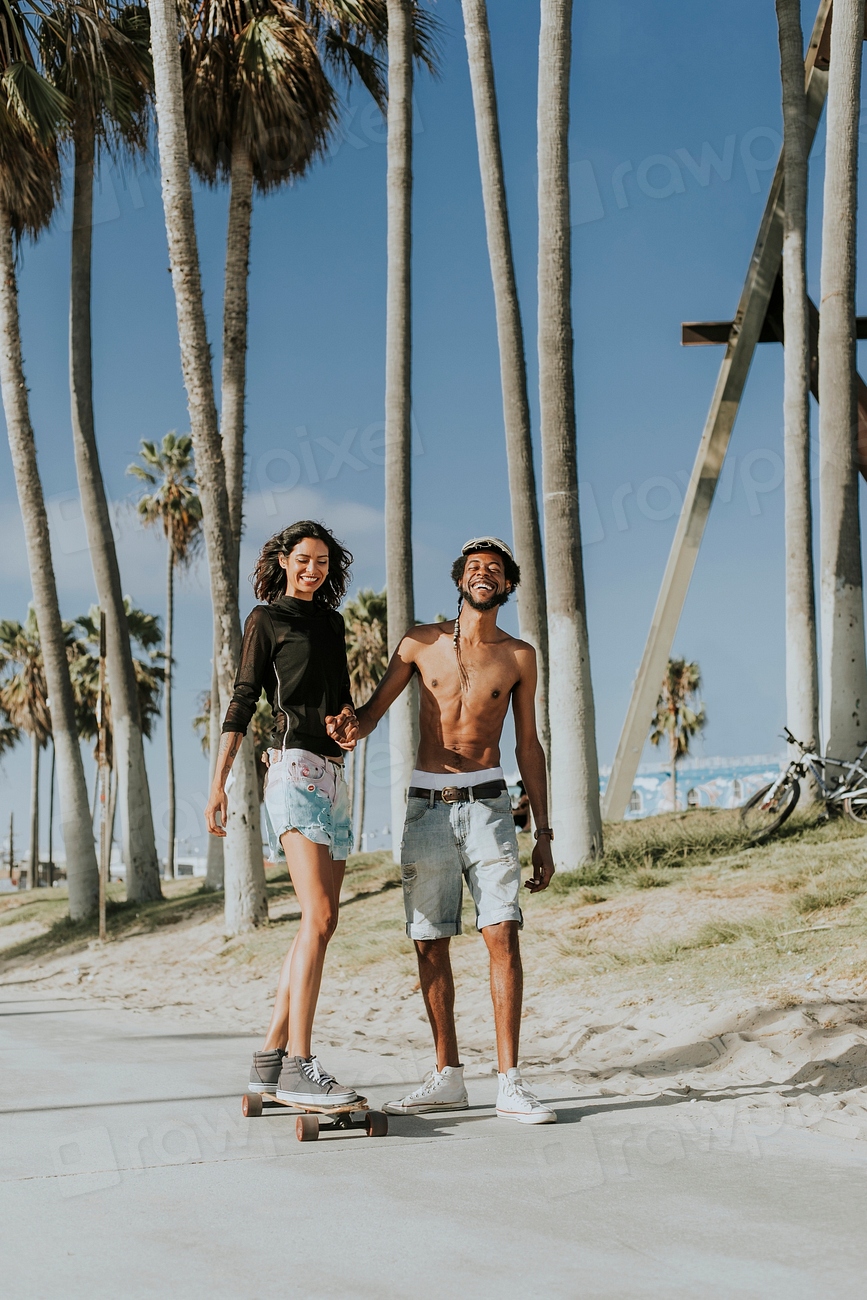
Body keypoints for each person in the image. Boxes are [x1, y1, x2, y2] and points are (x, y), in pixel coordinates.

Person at [344, 536, 557, 1124]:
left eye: (495, 568)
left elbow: (527, 745)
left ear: (508, 585)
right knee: (428, 939)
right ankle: (449, 1076)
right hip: (426, 805)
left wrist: (543, 832)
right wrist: (341, 724)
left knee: (502, 933)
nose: (483, 574)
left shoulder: (519, 657)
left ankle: (510, 1082)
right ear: (460, 578)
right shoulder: (419, 642)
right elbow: (370, 715)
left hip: (489, 804)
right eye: (474, 567)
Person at [205, 520, 360, 1107]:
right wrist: (218, 785)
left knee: (319, 924)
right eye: (303, 559)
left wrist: (346, 724)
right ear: (284, 560)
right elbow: (244, 699)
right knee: (318, 916)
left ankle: (269, 1059)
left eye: (322, 560)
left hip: (334, 777)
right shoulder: (266, 619)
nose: (312, 569)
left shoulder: (333, 622)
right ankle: (300, 1063)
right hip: (292, 771)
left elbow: (339, 697)